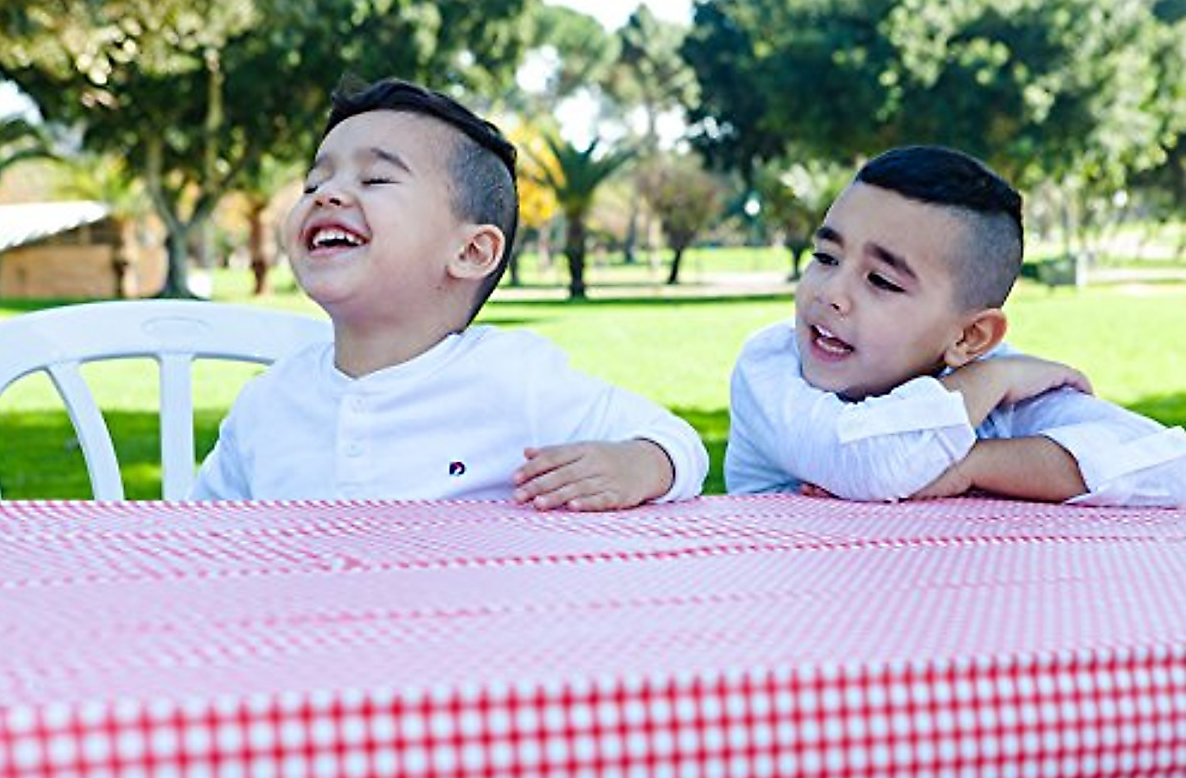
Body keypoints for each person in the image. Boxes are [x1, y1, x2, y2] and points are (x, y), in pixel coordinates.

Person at [192, 77, 708, 508]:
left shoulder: (514, 379)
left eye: (375, 179)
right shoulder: (268, 404)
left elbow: (679, 443)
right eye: (313, 184)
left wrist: (636, 466)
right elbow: (201, 535)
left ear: (472, 252)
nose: (327, 194)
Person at [725, 144, 1186, 506]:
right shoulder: (771, 370)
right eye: (826, 257)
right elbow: (869, 461)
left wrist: (977, 464)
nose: (830, 293)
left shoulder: (992, 392)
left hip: (938, 603)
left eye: (881, 281)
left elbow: (1166, 466)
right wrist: (996, 378)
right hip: (791, 606)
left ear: (970, 337)